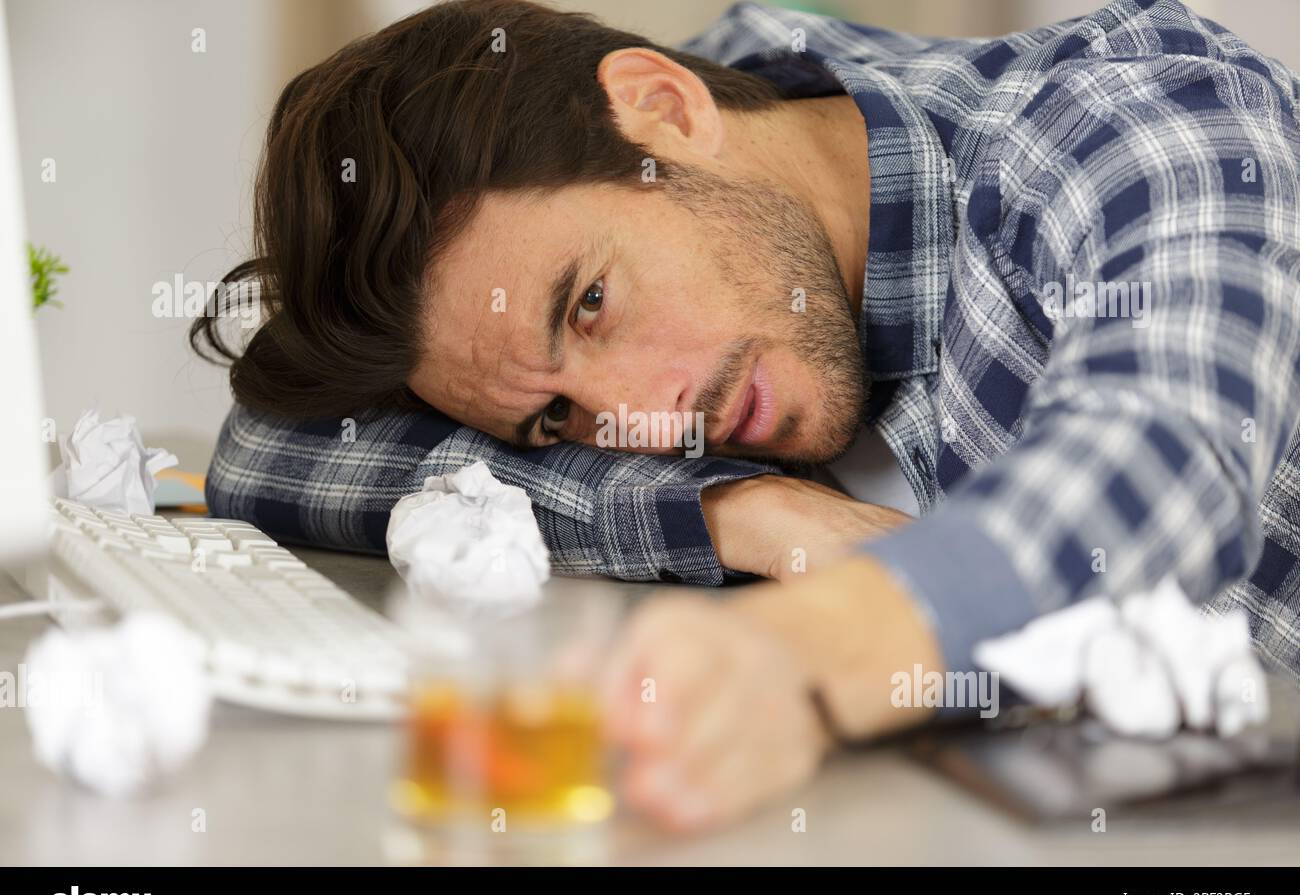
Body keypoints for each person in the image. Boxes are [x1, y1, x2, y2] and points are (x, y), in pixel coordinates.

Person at [192, 0, 1300, 830]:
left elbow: (1169, 454)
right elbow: (272, 450)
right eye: (554, 420)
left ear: (667, 109)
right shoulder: (702, 143)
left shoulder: (1129, 117)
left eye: (589, 305)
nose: (647, 422)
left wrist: (806, 658)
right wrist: (740, 511)